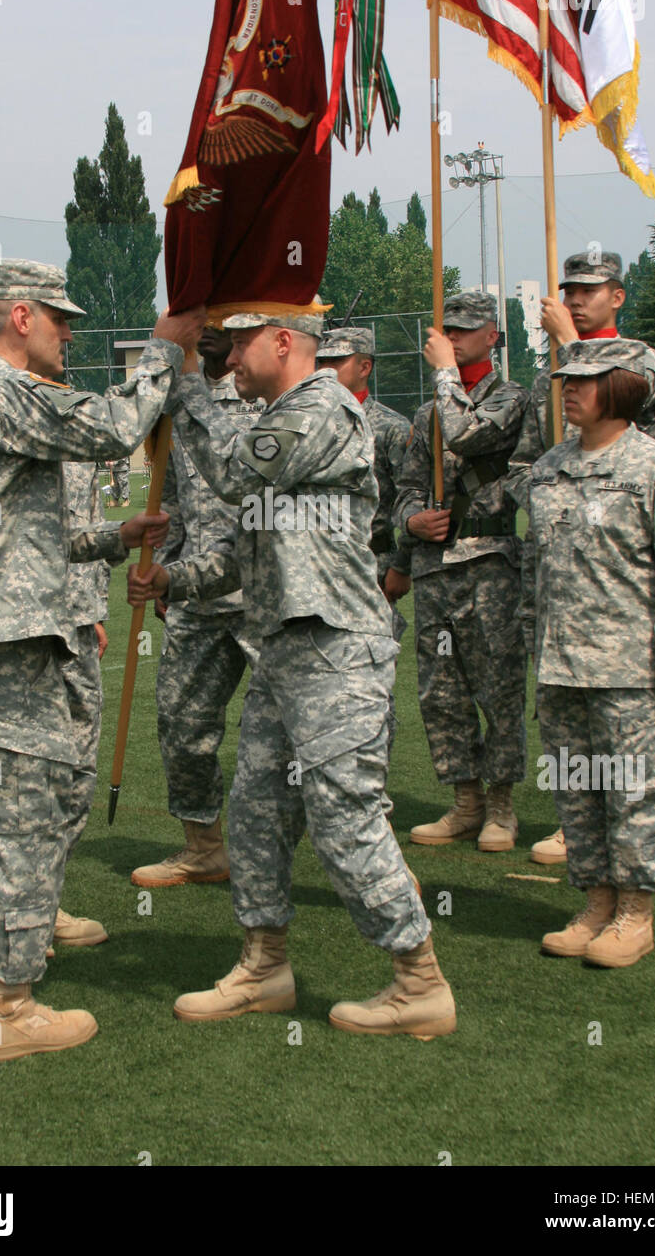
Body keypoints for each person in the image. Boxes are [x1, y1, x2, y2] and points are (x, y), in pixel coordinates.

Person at [128, 310, 455, 1039]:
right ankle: (264, 966)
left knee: (345, 815)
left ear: (282, 342)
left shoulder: (323, 407)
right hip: (284, 649)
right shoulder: (282, 416)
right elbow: (245, 555)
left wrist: (186, 384)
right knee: (256, 812)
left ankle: (419, 980)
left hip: (337, 650)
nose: (228, 360)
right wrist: (173, 582)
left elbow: (238, 472)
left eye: (238, 345)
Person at [0, 257, 202, 1060]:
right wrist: (165, 350)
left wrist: (115, 539)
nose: (70, 333)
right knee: (17, 821)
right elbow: (112, 428)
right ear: (20, 318)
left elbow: (16, 536)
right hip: (0, 652)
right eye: (60, 318)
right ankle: (10, 1006)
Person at [521, 338, 655, 967]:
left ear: (623, 388)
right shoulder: (547, 469)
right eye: (566, 379)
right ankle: (596, 901)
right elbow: (534, 566)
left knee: (632, 790)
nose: (568, 389)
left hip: (632, 666)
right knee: (578, 788)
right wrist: (532, 638)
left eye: (586, 380)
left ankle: (635, 913)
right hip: (561, 663)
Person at [506, 250, 655, 867]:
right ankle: (589, 860)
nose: (575, 298)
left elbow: (639, 411)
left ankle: (638, 879)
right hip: (565, 580)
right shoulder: (552, 372)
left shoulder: (641, 360)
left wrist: (570, 343)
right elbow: (528, 456)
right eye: (568, 289)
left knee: (632, 760)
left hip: (626, 589)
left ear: (617, 296)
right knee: (574, 756)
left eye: (589, 289)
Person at [393, 293, 528, 852]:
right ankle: (465, 800)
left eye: (468, 331)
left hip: (489, 562)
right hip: (434, 570)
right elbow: (402, 493)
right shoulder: (426, 415)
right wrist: (412, 522)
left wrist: (446, 372)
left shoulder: (514, 399)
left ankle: (501, 805)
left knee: (497, 686)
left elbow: (472, 436)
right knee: (441, 692)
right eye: (449, 331)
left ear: (493, 336)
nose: (455, 339)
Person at [131, 324, 262, 889]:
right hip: (197, 595)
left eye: (219, 327)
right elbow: (173, 495)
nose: (206, 336)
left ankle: (371, 854)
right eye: (199, 326)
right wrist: (170, 571)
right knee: (182, 723)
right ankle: (203, 845)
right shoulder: (173, 403)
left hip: (267, 595)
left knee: (316, 728)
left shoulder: (267, 394)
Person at [315, 324, 412, 786]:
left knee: (372, 687)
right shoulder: (312, 422)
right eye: (321, 362)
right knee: (321, 683)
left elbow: (410, 497)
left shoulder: (391, 428)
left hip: (372, 569)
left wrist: (401, 564)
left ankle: (372, 788)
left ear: (365, 366)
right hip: (319, 571)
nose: (326, 370)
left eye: (337, 362)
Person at [52, 460, 114, 950]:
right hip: (28, 629)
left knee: (77, 772)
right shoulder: (6, 413)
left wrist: (91, 609)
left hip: (75, 622)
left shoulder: (74, 427)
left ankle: (39, 900)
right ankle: (17, 914)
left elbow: (85, 524)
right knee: (27, 772)